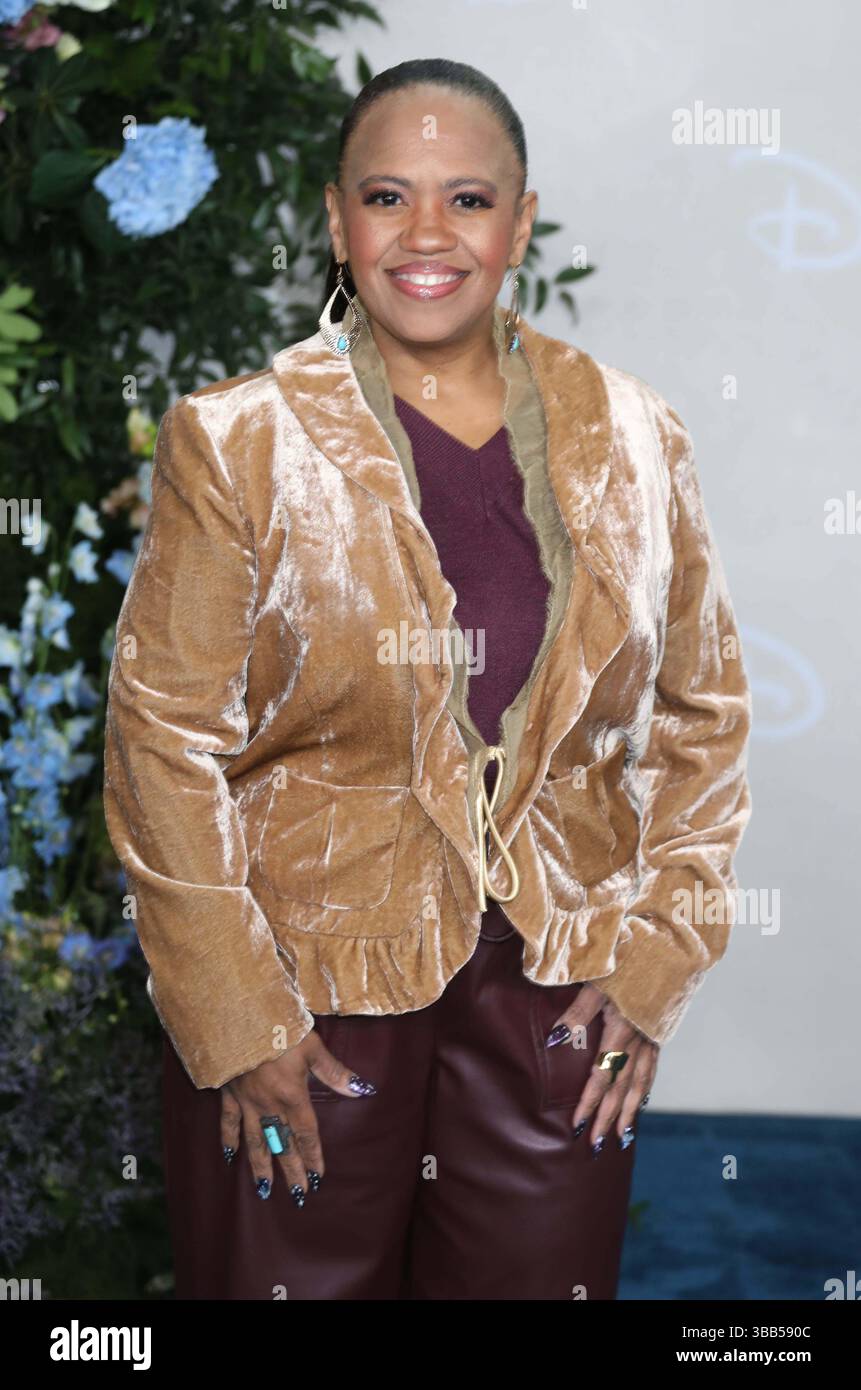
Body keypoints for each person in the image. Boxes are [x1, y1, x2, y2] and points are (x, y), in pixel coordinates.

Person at [103, 58, 753, 1300]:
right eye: (387, 195)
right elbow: (160, 744)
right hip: (305, 997)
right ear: (338, 221)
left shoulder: (635, 431)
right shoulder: (234, 438)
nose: (426, 235)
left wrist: (661, 952)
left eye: (467, 199)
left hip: (556, 997)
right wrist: (237, 1019)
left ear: (519, 218)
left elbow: (702, 712)